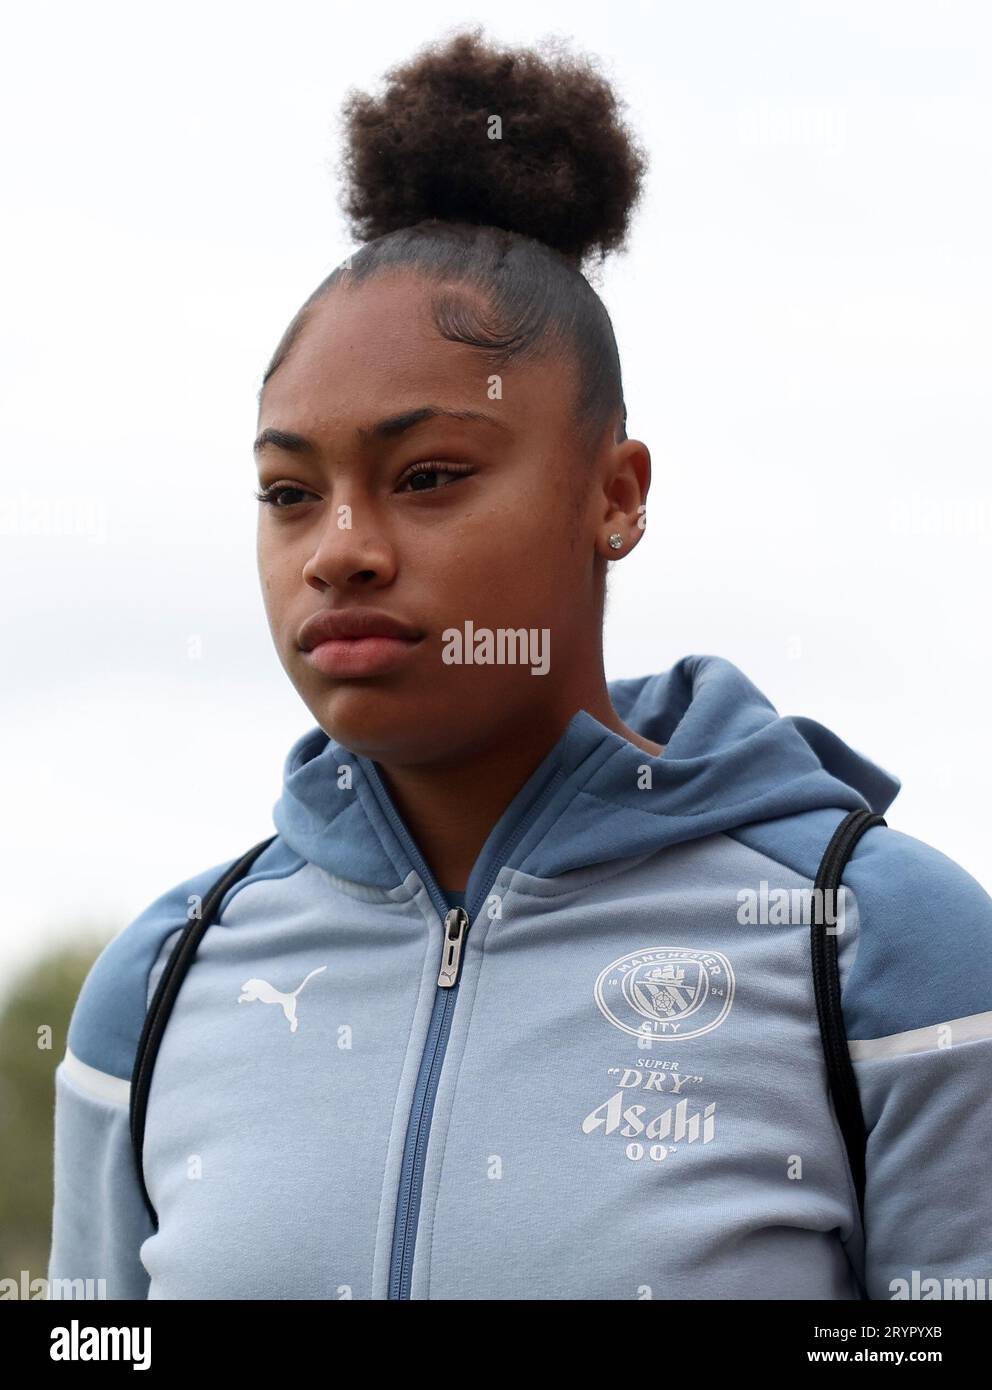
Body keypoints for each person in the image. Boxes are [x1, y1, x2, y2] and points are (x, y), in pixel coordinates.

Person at [48, 25, 992, 1302]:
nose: (338, 552)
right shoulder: (160, 986)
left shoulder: (880, 951)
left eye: (428, 476)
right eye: (286, 492)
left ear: (615, 492)